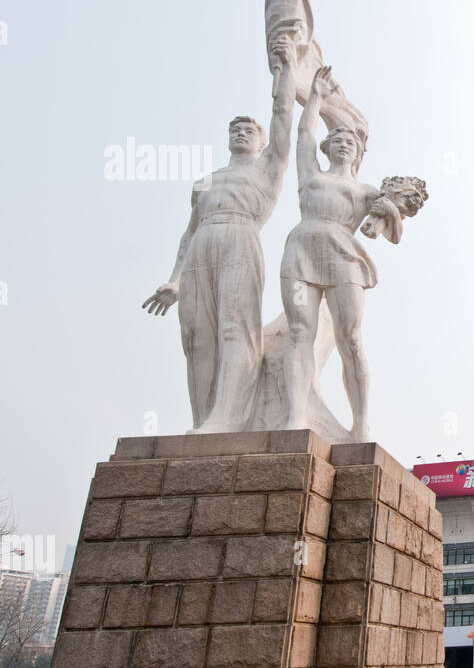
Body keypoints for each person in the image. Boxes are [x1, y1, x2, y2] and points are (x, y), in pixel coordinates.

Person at [143, 27, 299, 433]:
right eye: (235, 128)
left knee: (236, 328)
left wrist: (284, 67)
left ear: (261, 140)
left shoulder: (268, 168)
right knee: (197, 336)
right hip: (202, 248)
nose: (241, 132)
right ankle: (204, 420)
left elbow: (283, 115)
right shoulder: (206, 181)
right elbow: (188, 233)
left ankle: (227, 416)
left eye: (249, 129)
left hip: (241, 239)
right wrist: (174, 281)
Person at [279, 65, 427, 441]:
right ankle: (295, 414)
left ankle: (360, 421)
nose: (344, 141)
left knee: (352, 338)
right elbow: (304, 134)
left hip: (343, 255)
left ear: (359, 152)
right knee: (300, 333)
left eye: (351, 140)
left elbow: (394, 231)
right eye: (338, 138)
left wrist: (391, 210)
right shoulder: (310, 173)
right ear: (327, 147)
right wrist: (315, 97)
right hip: (301, 250)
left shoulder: (364, 190)